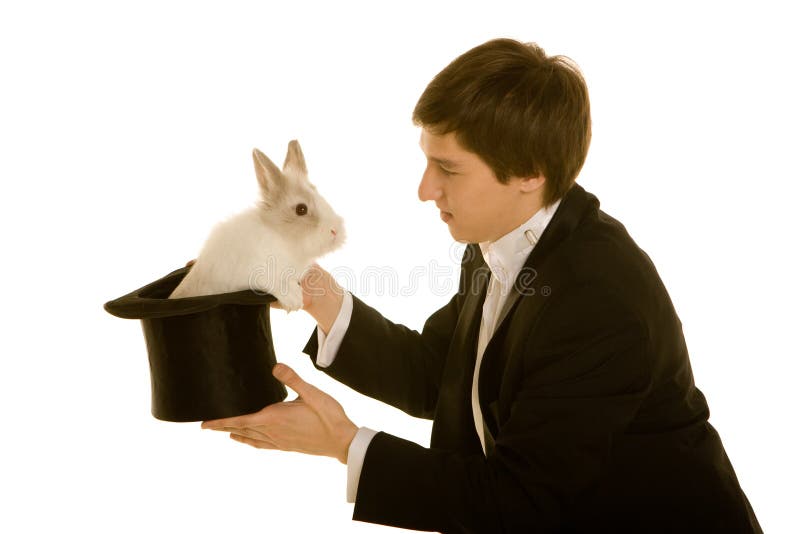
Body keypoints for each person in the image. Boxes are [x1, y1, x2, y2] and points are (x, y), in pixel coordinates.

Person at [201, 38, 762, 533]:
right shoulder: (502, 243)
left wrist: (344, 444)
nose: (425, 190)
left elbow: (517, 505)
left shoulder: (599, 299)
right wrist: (318, 295)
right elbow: (439, 376)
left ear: (529, 173)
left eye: (448, 169)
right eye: (427, 163)